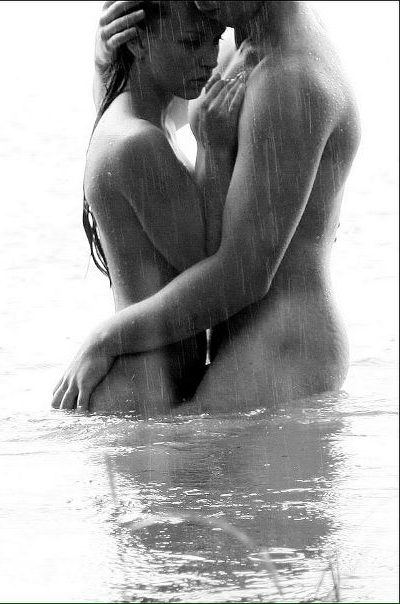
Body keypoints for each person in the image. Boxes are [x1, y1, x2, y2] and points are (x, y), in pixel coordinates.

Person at [52, 0, 360, 414]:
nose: (201, 2)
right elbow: (145, 121)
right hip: (237, 347)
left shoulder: (290, 79)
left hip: (283, 349)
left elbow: (243, 274)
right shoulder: (233, 45)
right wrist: (110, 62)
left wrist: (108, 338)